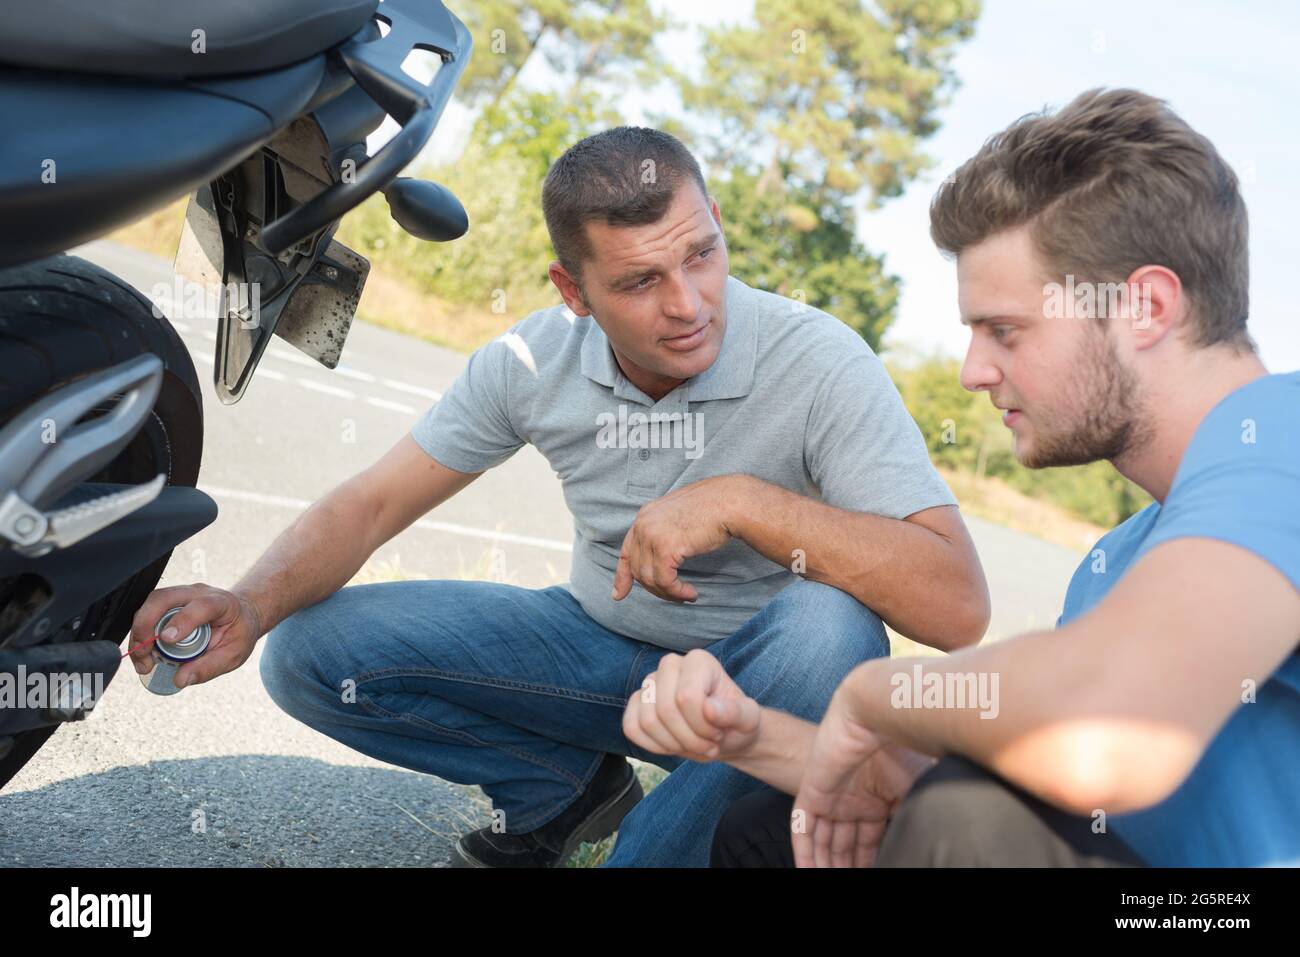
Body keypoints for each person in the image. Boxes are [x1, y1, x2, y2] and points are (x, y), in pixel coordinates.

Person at [127, 127, 989, 867]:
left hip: (761, 690)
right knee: (307, 651)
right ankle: (561, 793)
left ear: (718, 227)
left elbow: (956, 605)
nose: (689, 305)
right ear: (573, 292)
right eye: (641, 281)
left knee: (830, 626)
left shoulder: (821, 362)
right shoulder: (531, 361)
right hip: (599, 654)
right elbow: (373, 504)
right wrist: (248, 599)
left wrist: (745, 502)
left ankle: (661, 843)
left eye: (701, 255)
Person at [624, 88, 1300, 868]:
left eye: (1005, 331)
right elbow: (1058, 804)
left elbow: (1110, 734)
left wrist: (875, 695)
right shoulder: (1122, 558)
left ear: (1144, 306)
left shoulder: (1282, 429)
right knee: (775, 827)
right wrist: (748, 731)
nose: (975, 370)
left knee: (967, 819)